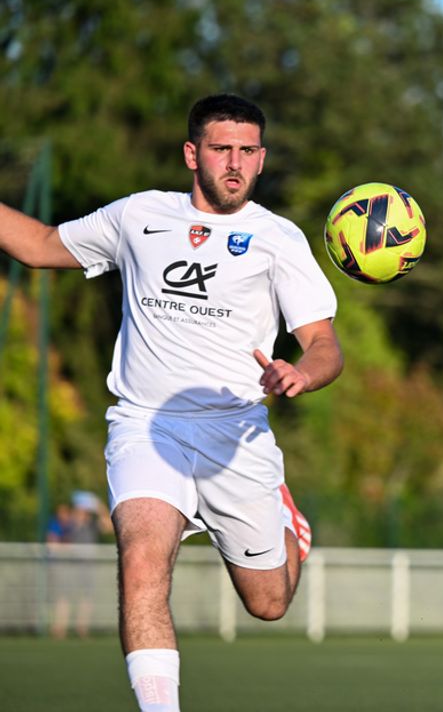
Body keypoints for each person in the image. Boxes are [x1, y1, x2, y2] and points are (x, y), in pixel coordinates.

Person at [0, 94, 343, 712]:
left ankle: (286, 520)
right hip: (145, 427)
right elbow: (41, 244)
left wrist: (302, 375)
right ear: (193, 154)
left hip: (234, 434)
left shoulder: (278, 238)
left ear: (262, 159)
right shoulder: (139, 217)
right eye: (221, 148)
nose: (234, 163)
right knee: (140, 556)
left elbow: (323, 345)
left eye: (247, 151)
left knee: (268, 604)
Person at [46, 490, 113, 638]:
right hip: (69, 565)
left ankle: (82, 629)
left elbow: (109, 526)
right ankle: (59, 628)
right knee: (64, 596)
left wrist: (99, 507)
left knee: (86, 597)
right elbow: (53, 541)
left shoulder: (92, 524)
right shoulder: (68, 523)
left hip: (87, 566)